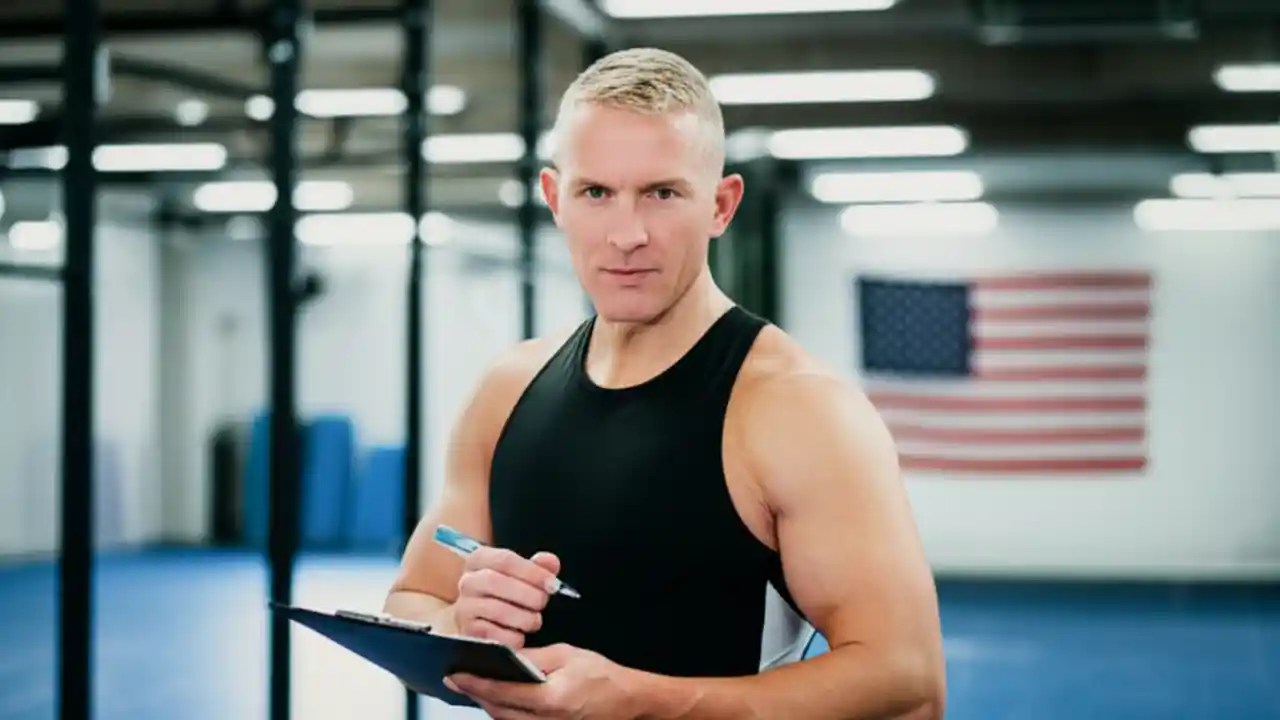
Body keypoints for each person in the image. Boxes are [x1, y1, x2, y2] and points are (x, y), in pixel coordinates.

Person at [384, 47, 945, 719]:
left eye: (662, 193)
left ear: (720, 204)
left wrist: (644, 702)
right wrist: (461, 631)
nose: (627, 235)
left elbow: (908, 685)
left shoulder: (797, 408)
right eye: (596, 193)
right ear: (555, 199)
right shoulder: (508, 389)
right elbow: (411, 602)